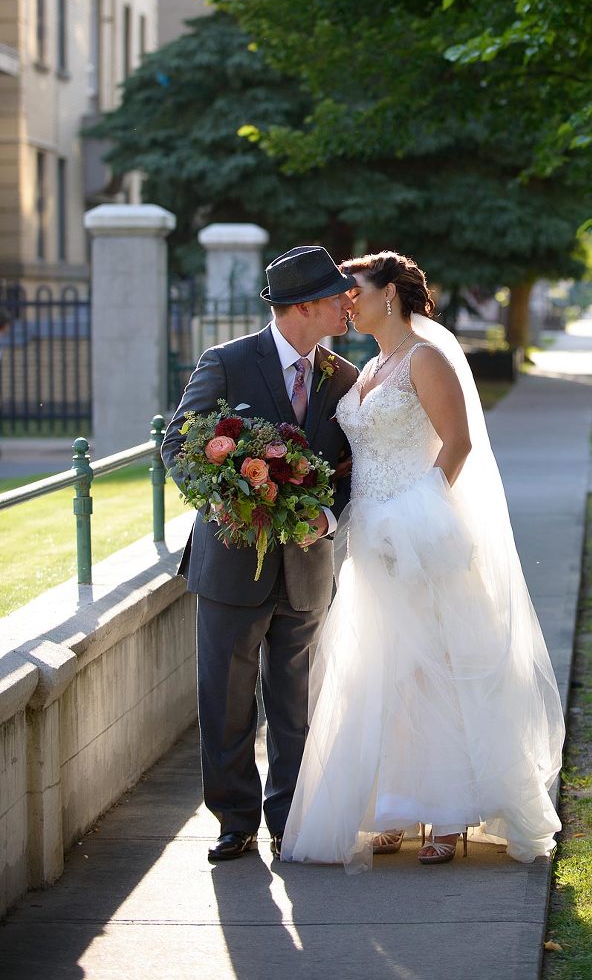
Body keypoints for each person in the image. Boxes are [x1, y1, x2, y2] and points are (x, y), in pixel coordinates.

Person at [282, 250, 564, 871]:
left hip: (420, 536)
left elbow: (457, 443)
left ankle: (451, 813)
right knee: (388, 672)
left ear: (390, 294)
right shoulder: (369, 368)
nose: (345, 301)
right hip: (370, 539)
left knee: (438, 665)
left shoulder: (425, 359)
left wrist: (415, 517)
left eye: (354, 290)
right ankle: (397, 806)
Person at [162, 245, 359, 864]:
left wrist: (327, 514)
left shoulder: (344, 378)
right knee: (224, 700)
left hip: (306, 566)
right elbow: (180, 443)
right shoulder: (226, 362)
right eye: (335, 296)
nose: (347, 303)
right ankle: (235, 820)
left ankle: (290, 819)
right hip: (229, 563)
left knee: (295, 703)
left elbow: (357, 466)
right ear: (302, 307)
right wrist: (222, 497)